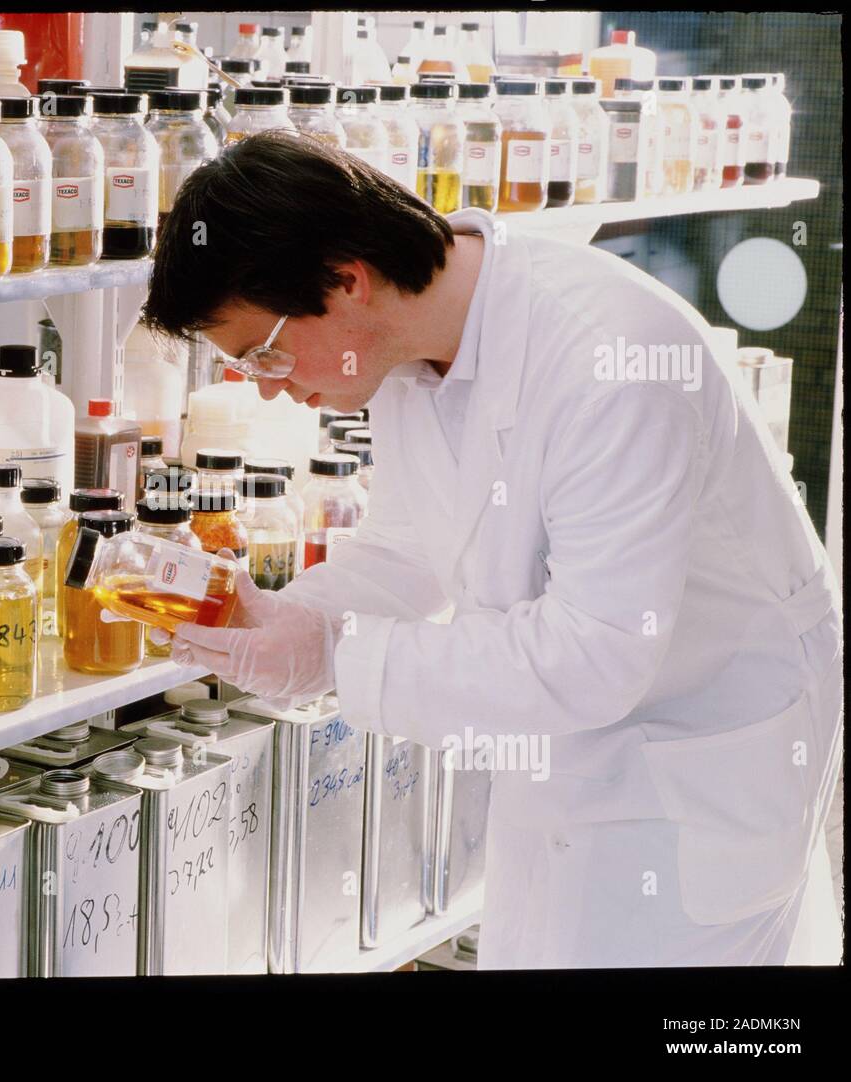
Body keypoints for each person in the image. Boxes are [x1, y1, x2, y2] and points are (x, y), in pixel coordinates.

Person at [141, 132, 843, 968]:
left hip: (702, 754)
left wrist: (337, 655)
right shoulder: (407, 354)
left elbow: (598, 653)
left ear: (344, 281)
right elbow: (407, 549)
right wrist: (286, 616)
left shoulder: (609, 362)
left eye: (262, 352)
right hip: (571, 762)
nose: (263, 384)